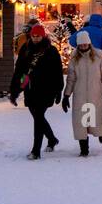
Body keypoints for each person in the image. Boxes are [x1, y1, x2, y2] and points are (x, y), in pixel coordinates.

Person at [9, 23, 64, 159]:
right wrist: (15, 91)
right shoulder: (25, 49)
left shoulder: (51, 51)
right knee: (38, 117)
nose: (35, 38)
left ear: (43, 36)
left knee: (38, 117)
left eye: (38, 36)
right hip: (30, 88)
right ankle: (52, 139)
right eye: (33, 36)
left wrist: (58, 91)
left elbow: (57, 72)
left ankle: (36, 151)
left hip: (46, 90)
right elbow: (20, 72)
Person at [61, 29, 102, 157]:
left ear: (89, 43)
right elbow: (71, 79)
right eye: (81, 45)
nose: (83, 46)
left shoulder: (99, 57)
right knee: (81, 122)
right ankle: (84, 148)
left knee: (97, 119)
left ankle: (101, 132)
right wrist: (66, 95)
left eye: (85, 44)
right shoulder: (74, 59)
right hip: (80, 95)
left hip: (96, 94)